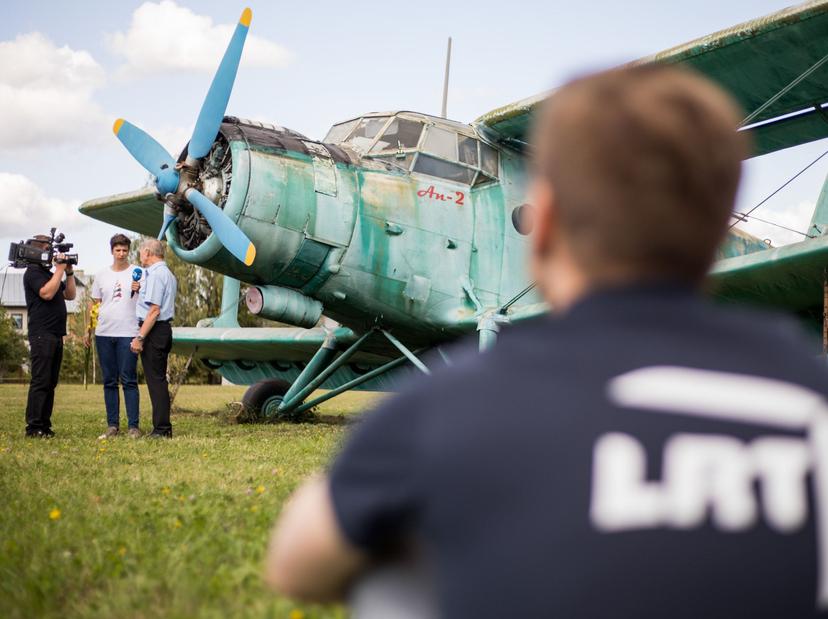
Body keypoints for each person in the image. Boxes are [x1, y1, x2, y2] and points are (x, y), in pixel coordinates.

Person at [264, 66, 828, 618]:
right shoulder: (813, 400)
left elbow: (293, 567)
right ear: (711, 233)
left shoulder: (445, 408)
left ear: (545, 223)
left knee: (394, 579)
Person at [85, 233, 142, 439]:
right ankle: (112, 425)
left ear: (129, 251)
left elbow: (147, 301)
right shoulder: (101, 275)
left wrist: (141, 290)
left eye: (125, 250)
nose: (121, 253)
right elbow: (94, 304)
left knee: (128, 379)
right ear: (112, 251)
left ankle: (134, 427)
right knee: (109, 381)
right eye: (117, 250)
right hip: (104, 333)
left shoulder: (138, 272)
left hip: (128, 333)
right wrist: (87, 330)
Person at [23, 234, 77, 437]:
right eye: (48, 248)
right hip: (41, 334)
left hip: (55, 334)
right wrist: (59, 270)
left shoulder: (48, 273)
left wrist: (69, 272)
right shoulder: (33, 272)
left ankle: (44, 425)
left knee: (51, 382)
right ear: (38, 250)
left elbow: (70, 295)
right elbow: (46, 293)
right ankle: (34, 427)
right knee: (40, 381)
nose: (52, 253)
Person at [130, 239, 177, 438]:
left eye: (141, 252)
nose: (140, 256)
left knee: (156, 381)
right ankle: (161, 427)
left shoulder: (157, 275)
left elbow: (154, 310)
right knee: (157, 380)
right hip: (161, 330)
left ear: (148, 252)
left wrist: (140, 337)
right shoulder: (165, 274)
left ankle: (162, 429)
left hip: (154, 330)